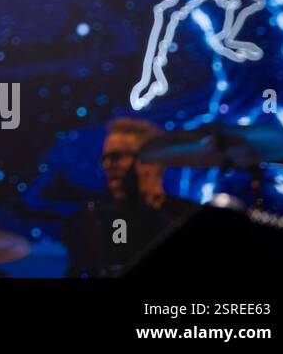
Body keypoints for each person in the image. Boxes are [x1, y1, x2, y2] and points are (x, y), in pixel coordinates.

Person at [63, 117, 199, 277]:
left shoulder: (185, 215)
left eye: (116, 157)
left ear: (150, 160)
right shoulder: (95, 218)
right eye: (104, 158)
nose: (107, 165)